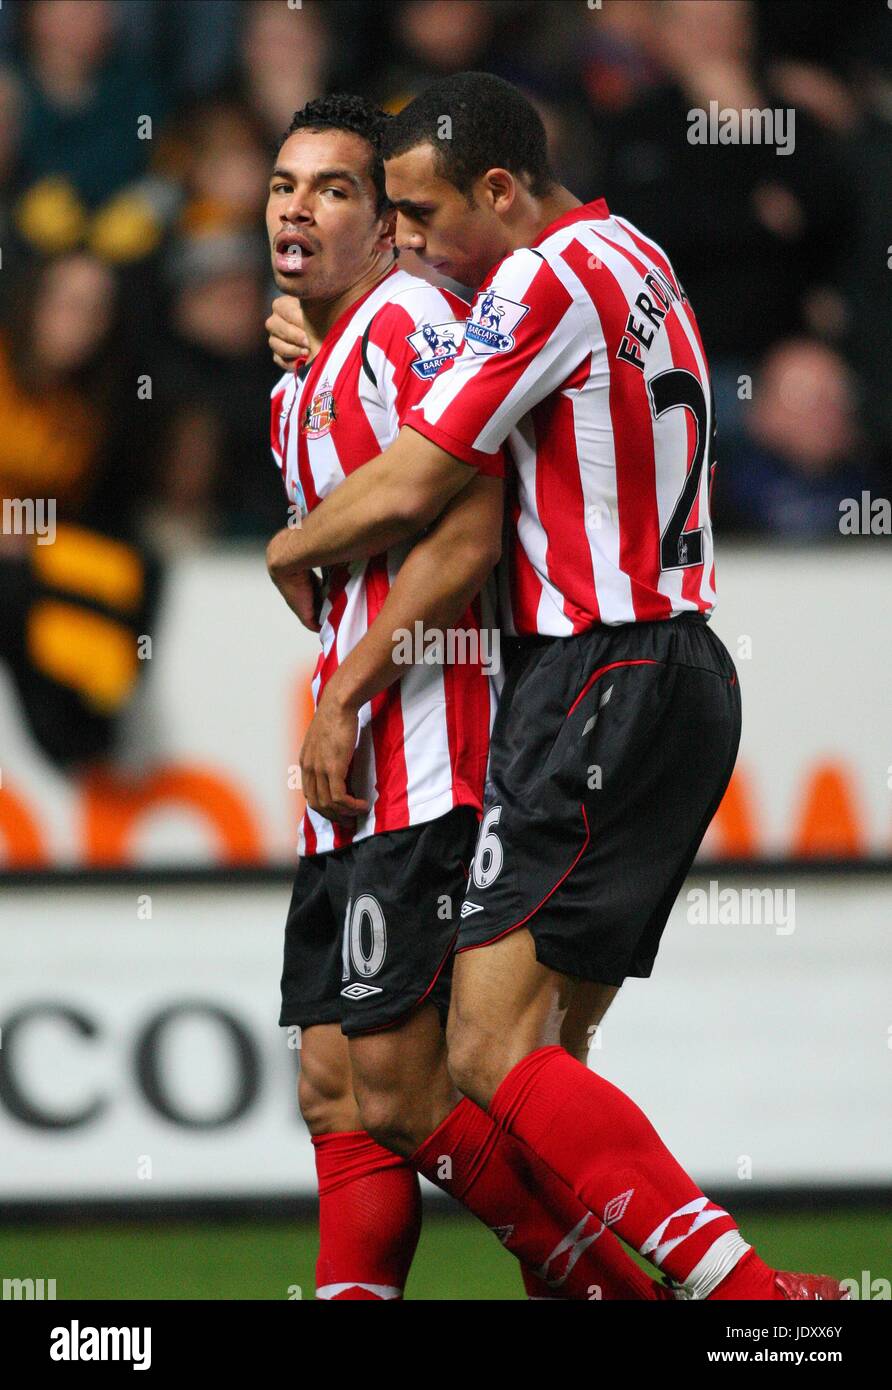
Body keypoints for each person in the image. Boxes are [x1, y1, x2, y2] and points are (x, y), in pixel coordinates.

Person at [265, 72, 846, 1301]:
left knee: (478, 1050)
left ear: (498, 189)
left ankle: (744, 1298)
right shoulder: (629, 251)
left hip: (598, 669)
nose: (410, 243)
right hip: (673, 663)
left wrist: (291, 544)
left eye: (414, 213)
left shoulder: (539, 277)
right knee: (537, 1058)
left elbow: (427, 481)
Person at [265, 94, 660, 1302]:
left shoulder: (408, 327)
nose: (297, 207)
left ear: (389, 228)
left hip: (429, 752)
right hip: (353, 771)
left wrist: (344, 695)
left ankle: (622, 1285)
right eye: (285, 185)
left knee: (416, 1086)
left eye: (336, 189)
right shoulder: (299, 378)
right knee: (333, 1091)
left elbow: (465, 531)